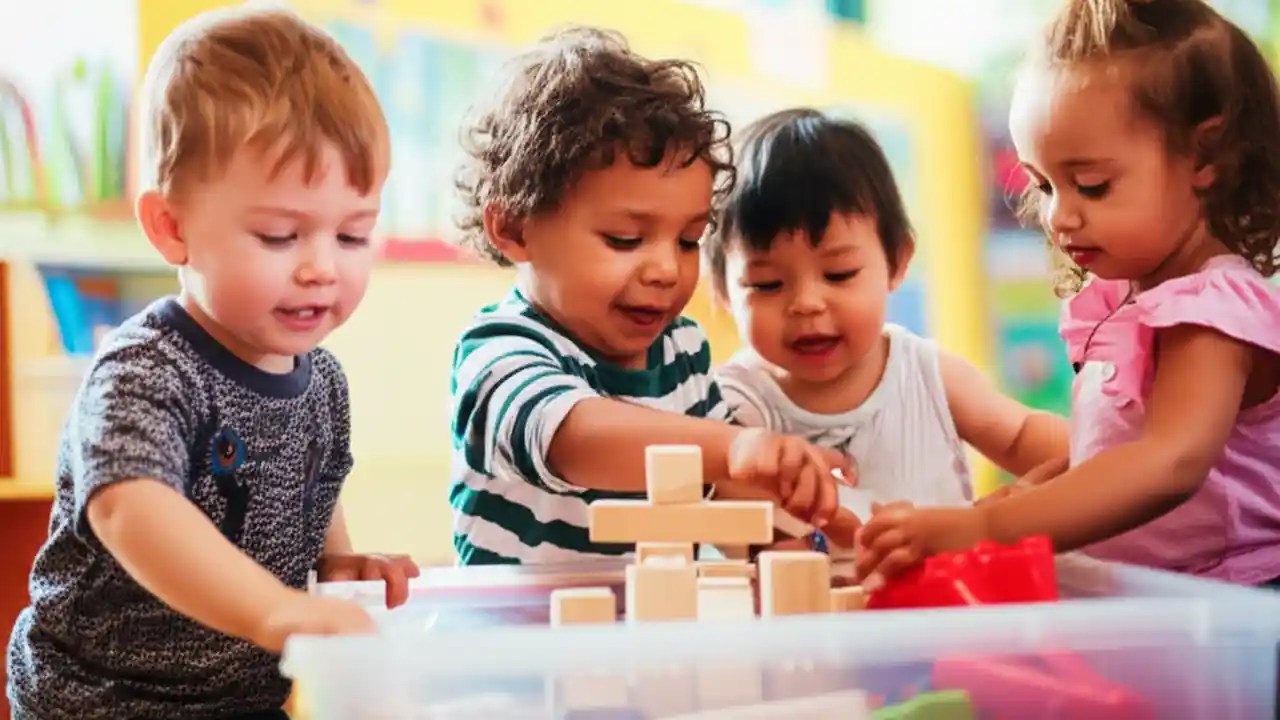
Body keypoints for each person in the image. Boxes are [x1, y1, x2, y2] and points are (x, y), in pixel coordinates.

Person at [6, 8, 418, 718]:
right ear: (172, 227)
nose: (323, 268)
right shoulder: (146, 371)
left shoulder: (320, 379)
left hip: (241, 698)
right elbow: (132, 510)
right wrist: (274, 612)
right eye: (281, 234)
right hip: (99, 703)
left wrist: (334, 567)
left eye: (353, 235)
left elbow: (307, 486)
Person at [857, 0, 1280, 591]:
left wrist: (983, 528)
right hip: (1165, 596)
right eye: (1042, 184)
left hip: (1240, 601)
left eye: (1091, 185)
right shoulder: (1132, 297)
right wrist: (1031, 494)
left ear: (1204, 158)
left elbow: (1168, 464)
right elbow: (1113, 456)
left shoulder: (1213, 309)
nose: (1059, 215)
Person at [449, 27, 853, 565]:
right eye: (624, 239)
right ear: (516, 229)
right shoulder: (500, 349)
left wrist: (808, 536)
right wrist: (732, 449)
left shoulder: (681, 350)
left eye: (688, 240)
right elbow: (572, 439)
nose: (666, 269)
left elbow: (728, 497)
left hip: (649, 635)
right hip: (519, 641)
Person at [704, 108, 1067, 535]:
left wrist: (1106, 459)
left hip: (943, 598)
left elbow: (1022, 435)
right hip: (813, 600)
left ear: (896, 262)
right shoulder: (733, 405)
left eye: (838, 274)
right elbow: (749, 521)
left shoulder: (926, 374)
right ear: (725, 292)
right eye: (766, 284)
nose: (806, 304)